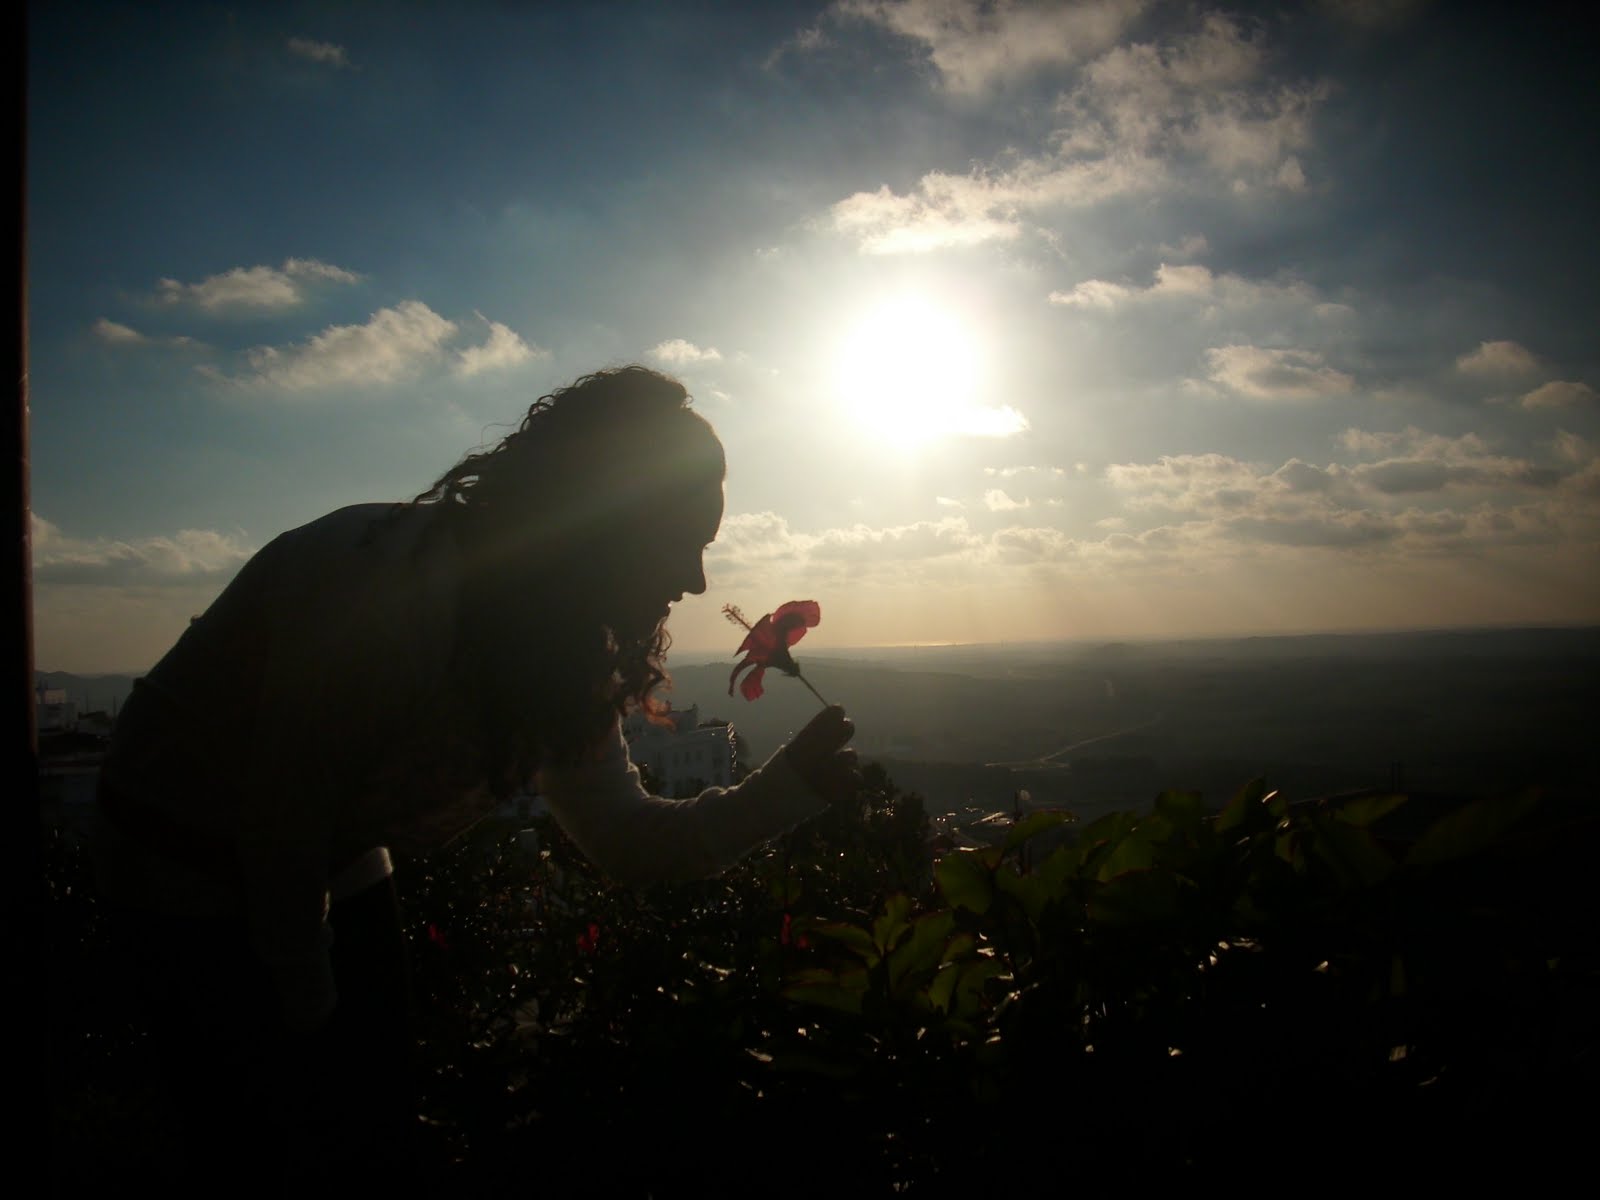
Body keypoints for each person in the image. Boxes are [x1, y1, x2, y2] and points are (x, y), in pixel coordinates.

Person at [90, 365, 858, 1192]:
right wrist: (314, 1027)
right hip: (177, 859)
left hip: (331, 857)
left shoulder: (561, 648)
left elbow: (625, 837)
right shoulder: (386, 578)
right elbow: (283, 816)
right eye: (682, 541)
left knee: (362, 1121)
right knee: (263, 1141)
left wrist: (787, 789)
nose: (697, 581)